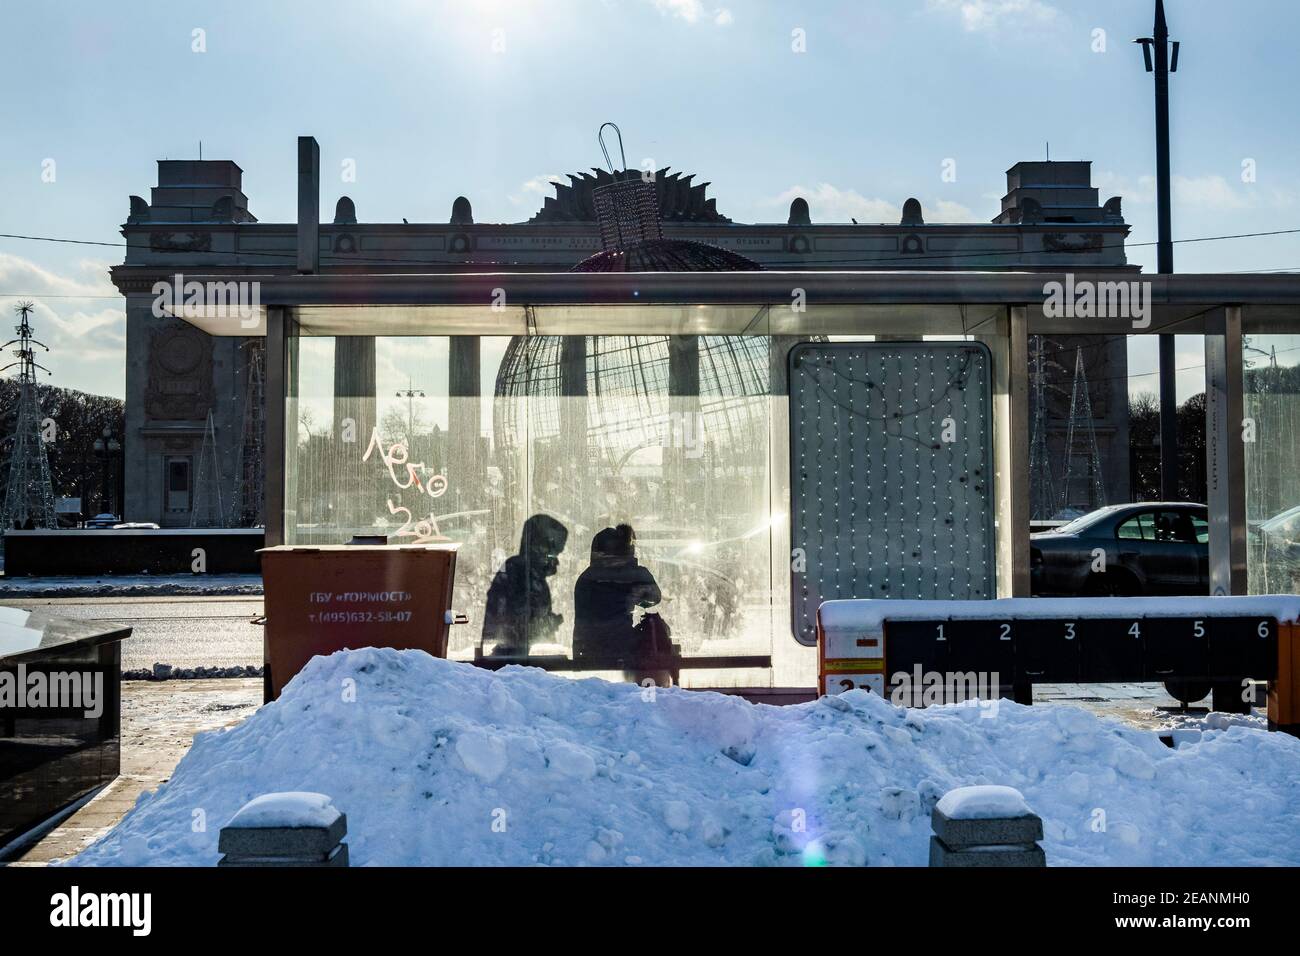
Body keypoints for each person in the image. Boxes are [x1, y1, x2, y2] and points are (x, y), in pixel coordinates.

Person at [573, 524, 670, 683]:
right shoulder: (635, 574)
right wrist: (636, 599)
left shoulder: (586, 578)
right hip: (623, 646)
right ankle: (657, 685)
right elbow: (655, 597)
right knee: (655, 624)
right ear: (627, 549)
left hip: (587, 648)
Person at [481, 514, 568, 657]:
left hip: (517, 661)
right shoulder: (518, 571)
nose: (555, 559)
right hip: (510, 663)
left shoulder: (532, 575)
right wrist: (548, 624)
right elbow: (516, 627)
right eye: (550, 551)